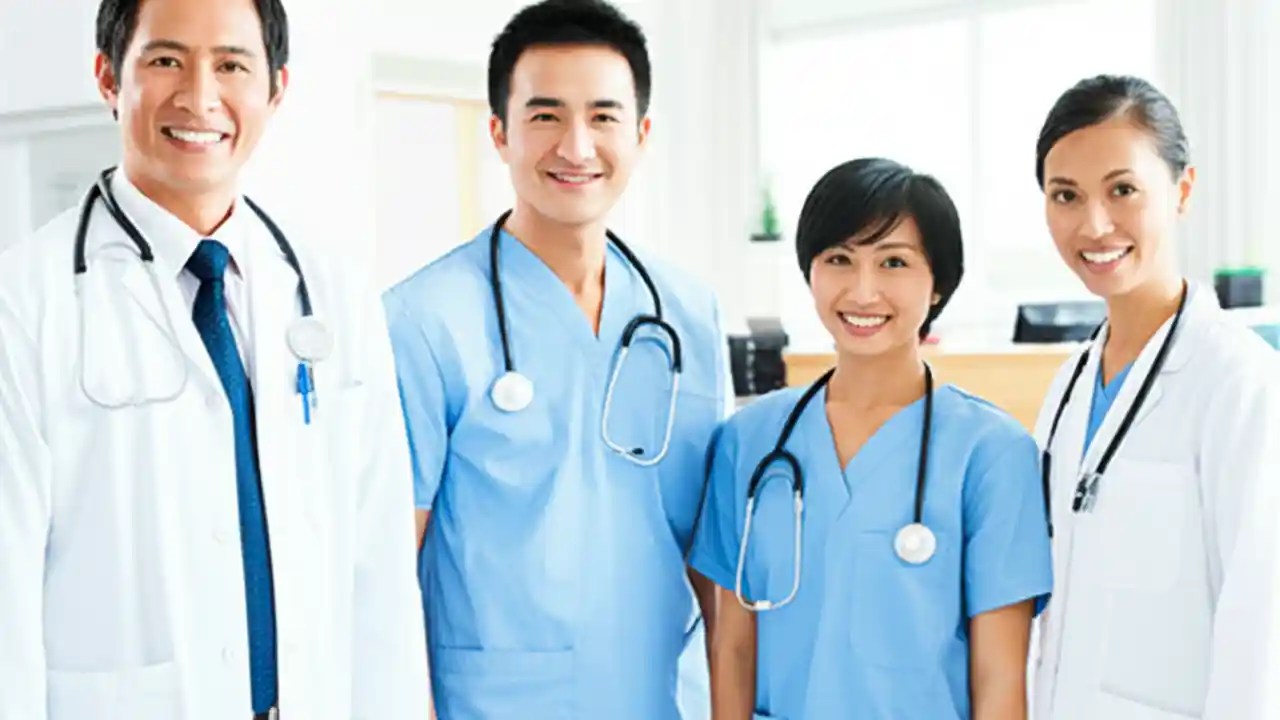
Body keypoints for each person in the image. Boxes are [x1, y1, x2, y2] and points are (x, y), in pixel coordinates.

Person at [0, 0, 429, 717]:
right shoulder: (24, 302)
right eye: (166, 60)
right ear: (109, 77)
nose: (199, 97)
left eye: (231, 65)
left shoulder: (332, 294)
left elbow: (378, 569)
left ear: (276, 89)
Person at [381, 1, 729, 718]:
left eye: (603, 116)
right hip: (491, 702)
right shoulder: (423, 319)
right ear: (500, 134)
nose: (576, 146)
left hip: (663, 696)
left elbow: (711, 549)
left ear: (641, 134)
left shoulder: (685, 313)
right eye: (545, 116)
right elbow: (389, 567)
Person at [690, 158, 1053, 720]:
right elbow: (734, 649)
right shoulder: (749, 443)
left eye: (894, 262)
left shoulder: (992, 453)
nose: (863, 291)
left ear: (939, 285)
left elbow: (1000, 678)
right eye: (838, 259)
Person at [1031, 74, 1280, 720]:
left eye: (1123, 190)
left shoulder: (1239, 381)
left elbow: (1262, 629)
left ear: (1182, 191)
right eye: (1066, 195)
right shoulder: (1068, 386)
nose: (1094, 223)